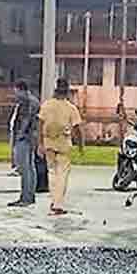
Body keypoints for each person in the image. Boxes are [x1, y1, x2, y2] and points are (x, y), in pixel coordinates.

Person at [38, 78, 84, 216]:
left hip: (48, 142)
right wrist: (81, 145)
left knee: (52, 172)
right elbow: (77, 128)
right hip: (64, 142)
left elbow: (39, 125)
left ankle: (54, 201)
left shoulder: (46, 105)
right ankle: (58, 203)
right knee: (62, 174)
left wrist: (39, 143)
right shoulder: (71, 108)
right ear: (67, 92)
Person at [8, 80, 41, 208]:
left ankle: (26, 197)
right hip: (30, 137)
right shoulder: (32, 100)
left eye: (16, 90)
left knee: (25, 169)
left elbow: (26, 120)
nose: (15, 94)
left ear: (20, 89)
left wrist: (20, 135)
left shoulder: (27, 102)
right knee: (30, 168)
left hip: (24, 138)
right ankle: (29, 196)